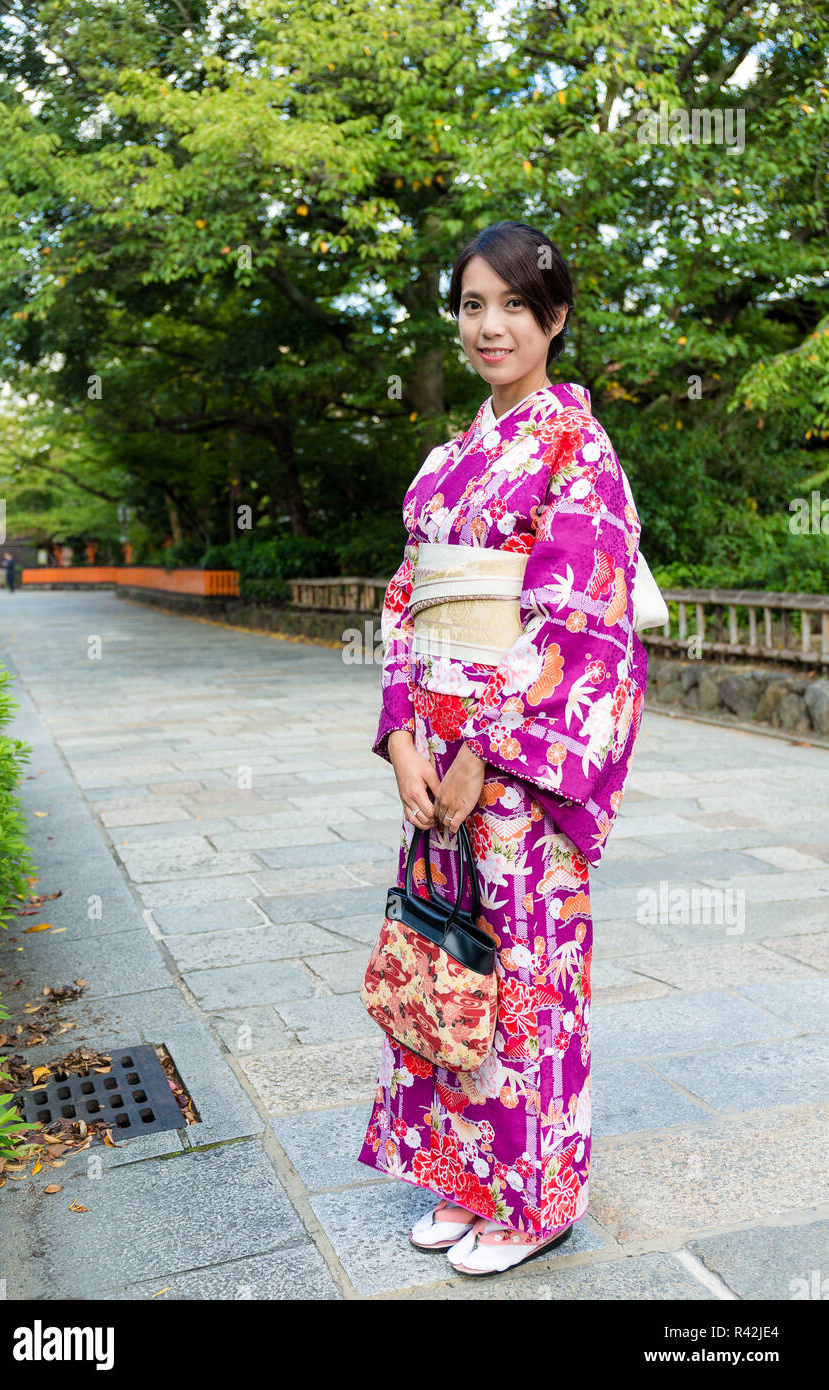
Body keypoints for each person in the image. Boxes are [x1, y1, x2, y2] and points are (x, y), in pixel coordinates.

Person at [357, 221, 649, 1277]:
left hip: (515, 768)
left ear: (553, 320)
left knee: (523, 974)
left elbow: (580, 613)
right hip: (431, 762)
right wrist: (398, 732)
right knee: (446, 961)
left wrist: (493, 746)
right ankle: (458, 1173)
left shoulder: (575, 448)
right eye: (472, 304)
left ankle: (535, 1200)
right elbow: (404, 601)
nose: (489, 326)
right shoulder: (442, 463)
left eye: (512, 307)